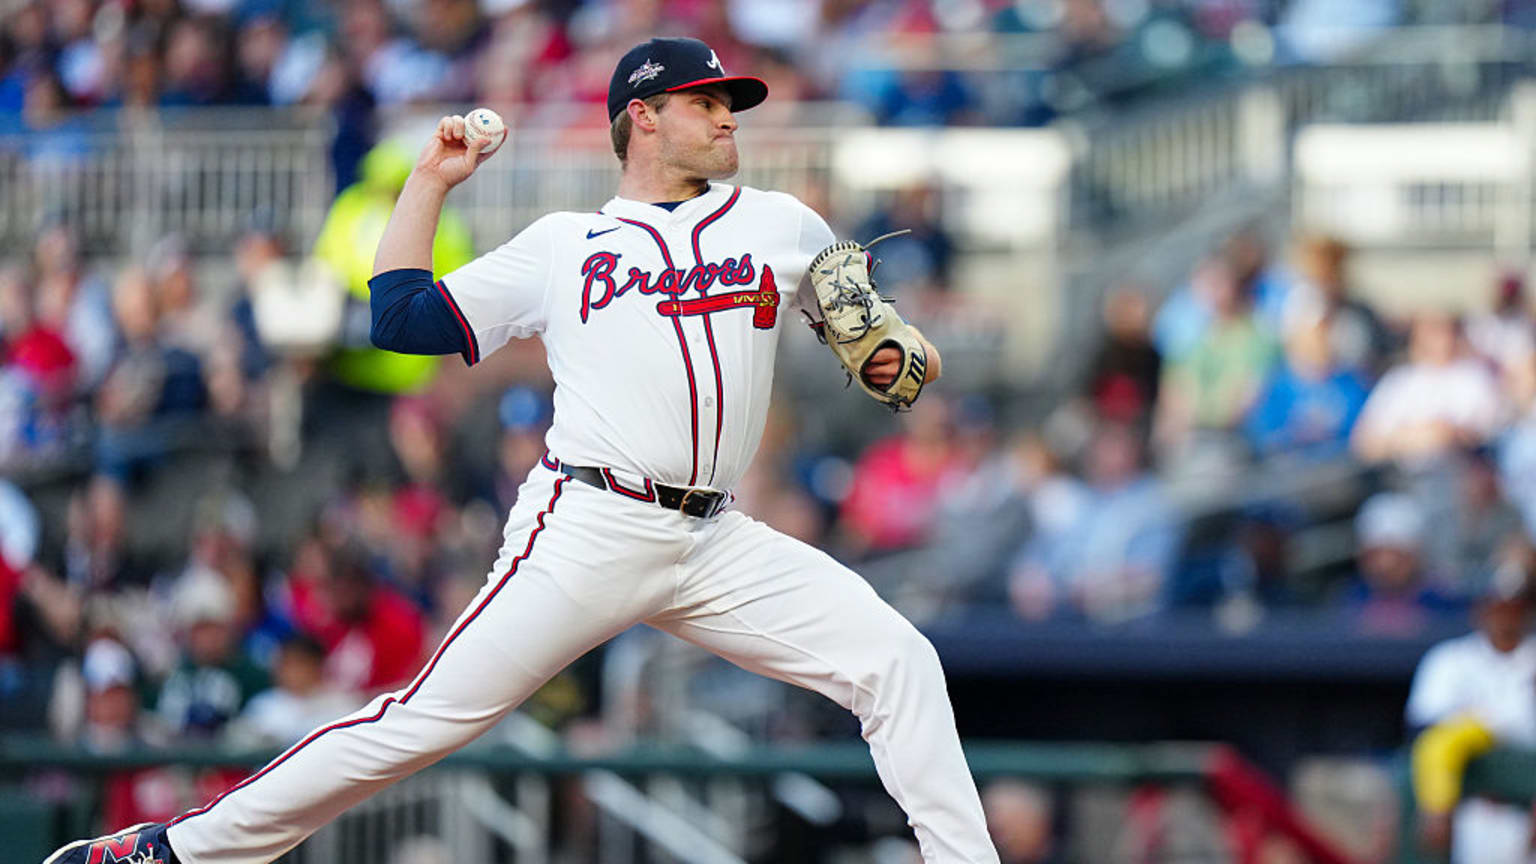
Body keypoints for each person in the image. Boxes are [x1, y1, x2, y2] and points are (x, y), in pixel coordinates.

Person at [45, 37, 999, 864]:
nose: (728, 119)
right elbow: (402, 317)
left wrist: (891, 356)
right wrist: (429, 180)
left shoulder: (782, 225)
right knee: (417, 724)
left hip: (716, 540)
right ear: (645, 117)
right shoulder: (565, 245)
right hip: (589, 522)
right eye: (705, 102)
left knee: (897, 660)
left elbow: (893, 367)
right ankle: (174, 849)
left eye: (730, 103)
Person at [1405, 540, 1536, 864]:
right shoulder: (1450, 659)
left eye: (1514, 606)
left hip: (1525, 808)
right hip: (1471, 814)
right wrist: (1437, 804)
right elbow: (1425, 733)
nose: (1504, 615)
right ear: (1480, 607)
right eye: (1495, 604)